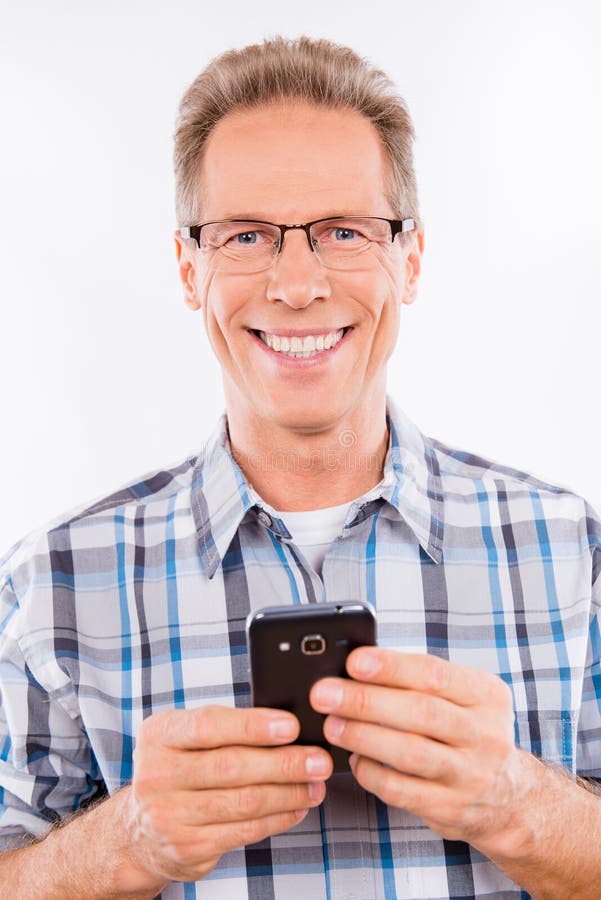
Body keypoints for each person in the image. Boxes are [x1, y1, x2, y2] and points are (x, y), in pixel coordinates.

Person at [0, 34, 599, 900]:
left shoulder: (570, 552)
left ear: (410, 259)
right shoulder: (48, 585)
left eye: (343, 232)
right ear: (188, 267)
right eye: (245, 234)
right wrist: (123, 844)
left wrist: (520, 806)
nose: (294, 284)